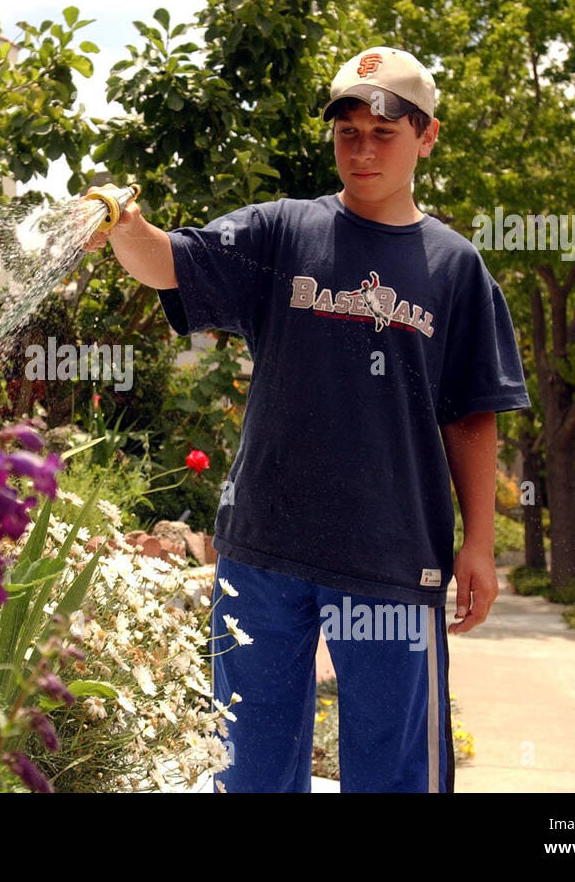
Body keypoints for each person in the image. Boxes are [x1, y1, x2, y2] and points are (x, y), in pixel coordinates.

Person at [82, 46, 531, 793]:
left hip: (393, 559)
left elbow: (472, 418)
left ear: (427, 137)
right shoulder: (282, 232)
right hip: (264, 548)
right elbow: (168, 262)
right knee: (248, 768)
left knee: (394, 774)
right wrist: (126, 225)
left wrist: (479, 543)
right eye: (347, 131)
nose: (362, 149)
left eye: (384, 132)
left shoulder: (455, 268)